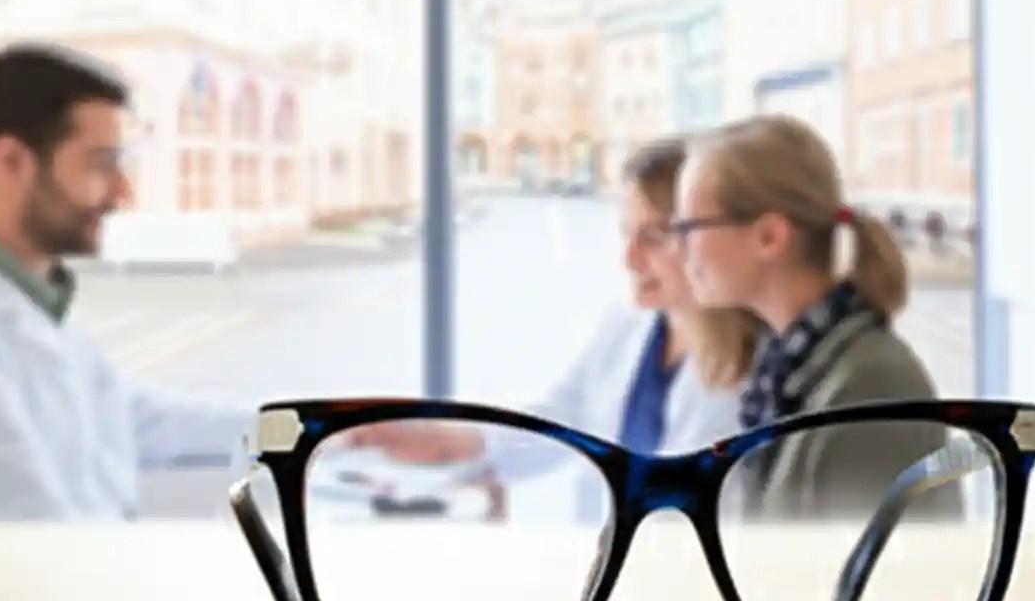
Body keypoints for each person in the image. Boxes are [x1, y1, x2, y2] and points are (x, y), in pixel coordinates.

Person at [0, 43, 252, 520]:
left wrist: (316, 429)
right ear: (11, 162)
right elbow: (21, 542)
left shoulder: (27, 295)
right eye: (101, 164)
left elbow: (131, 417)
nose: (123, 192)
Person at [347, 136, 761, 517]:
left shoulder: (761, 365)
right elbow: (563, 418)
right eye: (626, 234)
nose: (629, 259)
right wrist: (452, 444)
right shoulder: (627, 326)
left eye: (654, 237)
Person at [673, 114, 958, 521]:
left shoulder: (870, 389)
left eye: (689, 227)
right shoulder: (786, 369)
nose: (679, 248)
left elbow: (863, 561)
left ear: (769, 237)